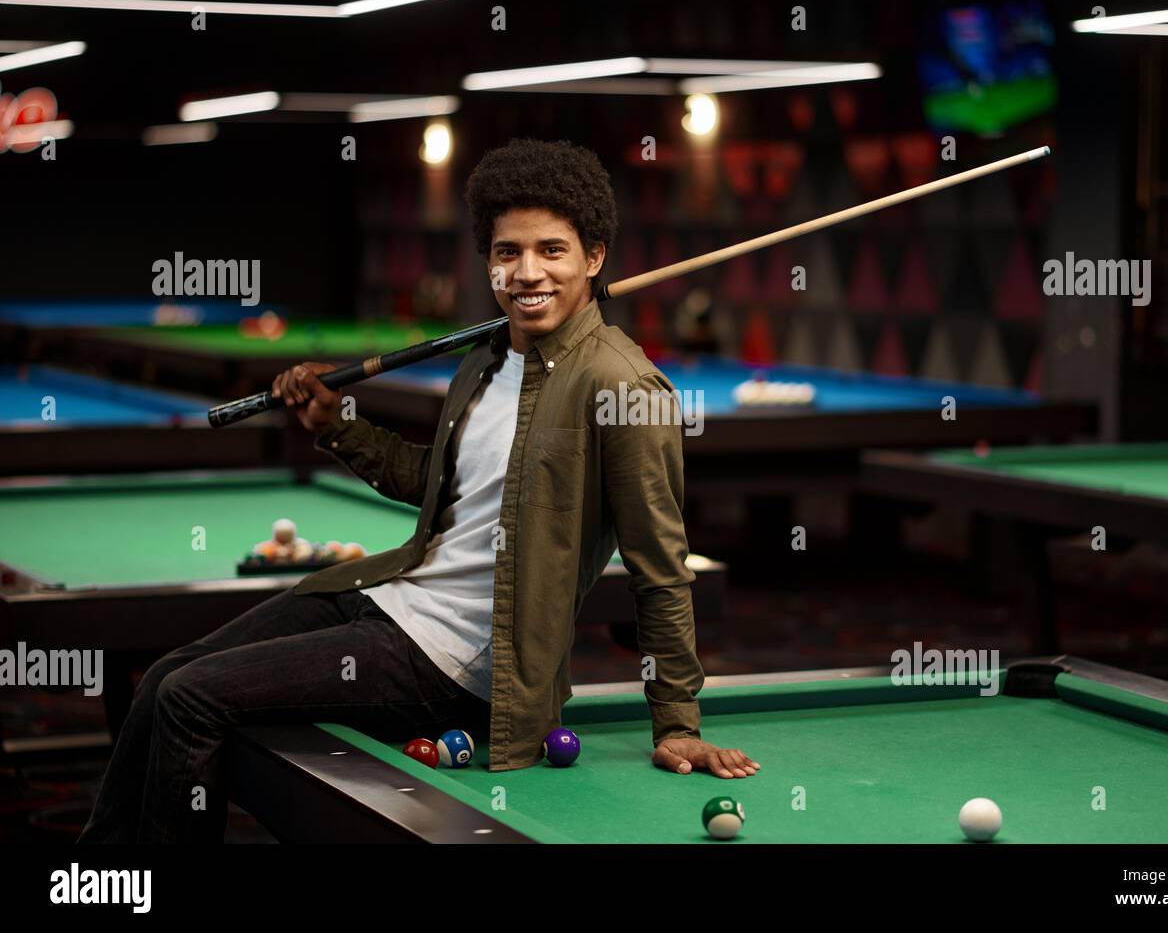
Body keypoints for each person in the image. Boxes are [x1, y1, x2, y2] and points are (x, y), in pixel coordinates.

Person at [79, 138, 758, 844]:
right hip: (391, 592)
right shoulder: (487, 362)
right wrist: (337, 422)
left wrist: (677, 723)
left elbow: (661, 570)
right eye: (507, 253)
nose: (527, 273)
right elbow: (433, 487)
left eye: (552, 252)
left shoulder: (624, 387)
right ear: (488, 260)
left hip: (459, 657)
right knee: (163, 677)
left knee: (192, 699)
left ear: (594, 257)